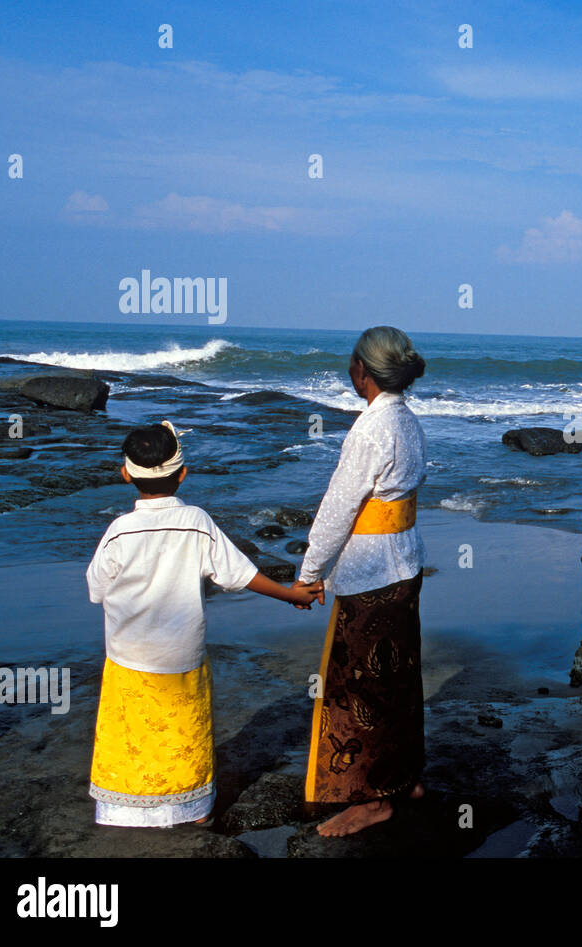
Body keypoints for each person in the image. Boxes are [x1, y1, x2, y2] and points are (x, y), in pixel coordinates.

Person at [86, 420, 322, 827]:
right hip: (182, 652)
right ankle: (193, 809)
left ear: (125, 474)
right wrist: (292, 594)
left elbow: (96, 589)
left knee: (133, 734)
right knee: (185, 730)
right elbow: (238, 573)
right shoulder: (196, 522)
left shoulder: (117, 532)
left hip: (129, 654)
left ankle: (125, 809)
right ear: (183, 473)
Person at [293, 326, 428, 837]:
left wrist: (310, 573)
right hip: (406, 561)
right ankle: (405, 778)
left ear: (361, 372)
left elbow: (337, 511)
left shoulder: (370, 430)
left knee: (358, 691)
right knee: (398, 678)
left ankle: (373, 798)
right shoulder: (408, 421)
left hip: (371, 570)